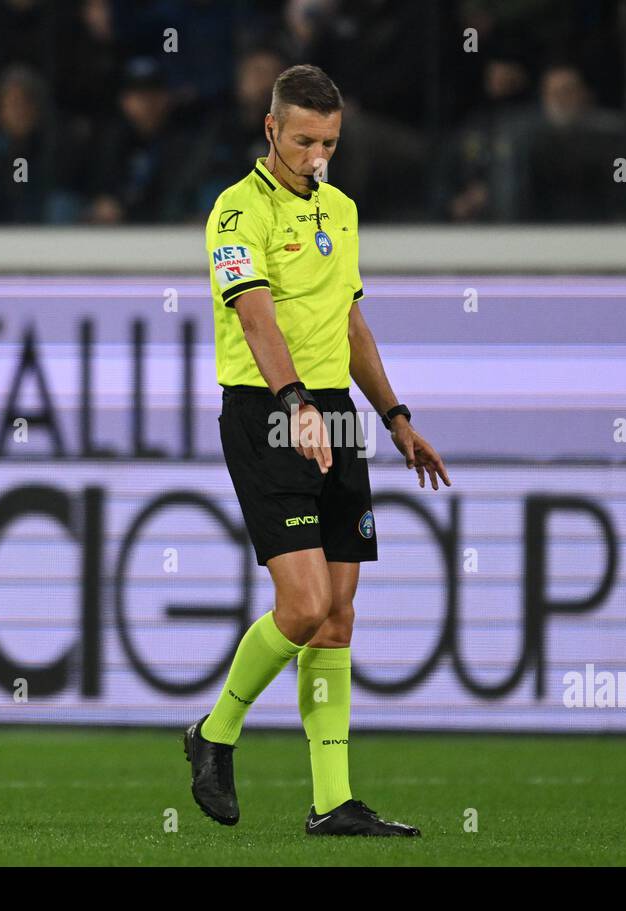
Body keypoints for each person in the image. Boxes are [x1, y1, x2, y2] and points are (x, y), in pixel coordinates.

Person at [185, 64, 450, 836]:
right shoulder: (236, 215)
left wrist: (396, 415)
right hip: (268, 412)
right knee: (300, 608)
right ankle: (215, 731)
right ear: (271, 130)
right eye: (303, 140)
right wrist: (294, 404)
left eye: (329, 142)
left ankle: (332, 802)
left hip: (336, 413)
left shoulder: (342, 210)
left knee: (337, 616)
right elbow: (256, 320)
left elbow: (352, 325)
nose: (316, 155)